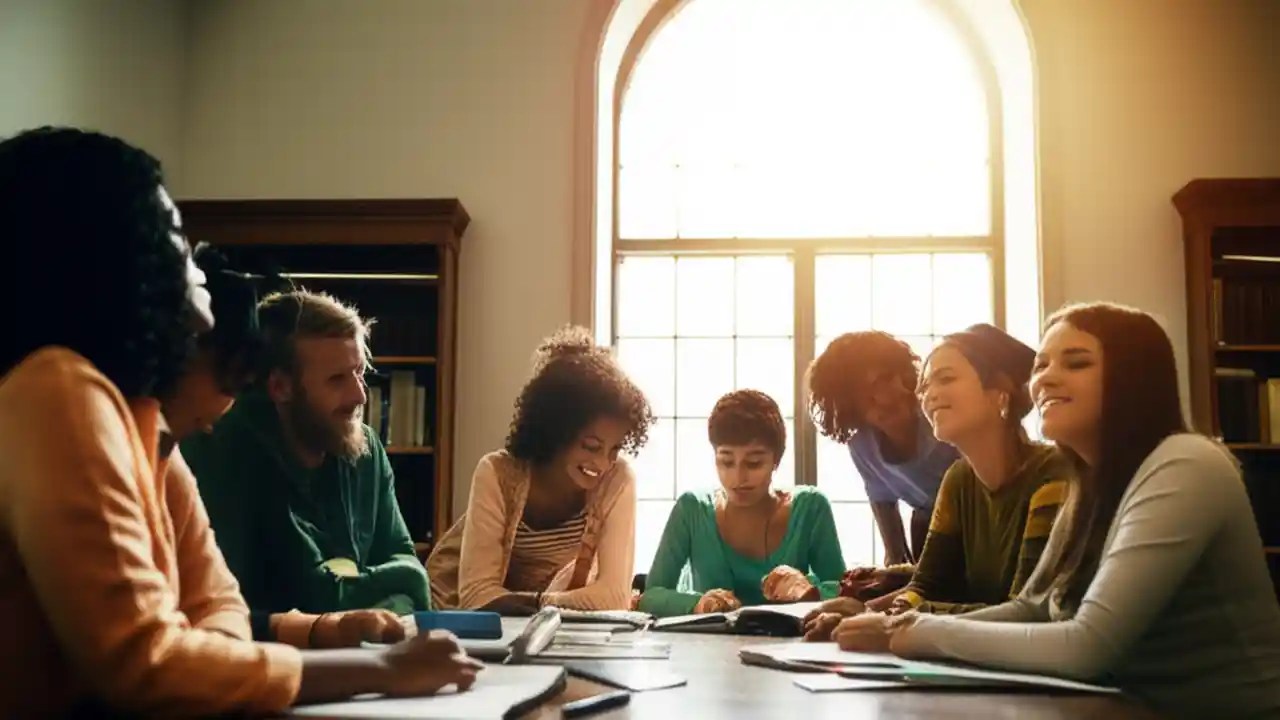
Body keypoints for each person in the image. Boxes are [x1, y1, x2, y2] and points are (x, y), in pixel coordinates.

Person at [0, 127, 478, 717]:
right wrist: (379, 668)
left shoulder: (150, 431)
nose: (197, 260)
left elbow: (216, 606)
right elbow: (145, 661)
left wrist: (206, 668)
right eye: (173, 234)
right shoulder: (57, 389)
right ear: (115, 257)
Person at [826, 303, 1280, 719]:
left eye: (1077, 363)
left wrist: (911, 633)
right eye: (1041, 365)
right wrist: (901, 625)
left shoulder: (1185, 463)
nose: (1044, 378)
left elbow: (1089, 644)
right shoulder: (1087, 481)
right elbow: (1033, 607)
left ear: (1134, 377)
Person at [163, 245, 406, 649]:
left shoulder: (366, 448)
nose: (360, 396)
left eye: (360, 373)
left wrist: (351, 598)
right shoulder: (221, 443)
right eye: (337, 379)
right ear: (280, 387)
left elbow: (412, 574)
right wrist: (359, 599)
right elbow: (236, 605)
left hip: (338, 653)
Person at [804, 324, 1070, 636]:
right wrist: (864, 612)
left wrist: (894, 622)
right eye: (926, 385)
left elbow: (1028, 611)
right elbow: (926, 586)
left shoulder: (1052, 475)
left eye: (946, 378)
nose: (927, 395)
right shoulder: (957, 480)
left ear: (1000, 391)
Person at [428, 326, 652, 613]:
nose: (603, 464)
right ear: (557, 430)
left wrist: (535, 603)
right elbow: (476, 597)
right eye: (592, 446)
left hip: (552, 628)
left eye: (615, 449)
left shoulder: (617, 480)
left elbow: (612, 599)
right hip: (475, 629)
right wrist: (559, 605)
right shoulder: (497, 473)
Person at [638, 390, 845, 617]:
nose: (738, 477)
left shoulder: (810, 508)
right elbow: (651, 596)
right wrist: (699, 604)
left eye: (754, 463)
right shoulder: (692, 509)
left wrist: (809, 592)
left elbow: (847, 594)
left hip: (788, 648)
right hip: (706, 648)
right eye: (726, 461)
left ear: (776, 460)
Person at [805, 331, 959, 604]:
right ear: (848, 403)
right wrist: (889, 573)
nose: (893, 393)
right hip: (928, 525)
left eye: (891, 377)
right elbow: (884, 510)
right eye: (872, 388)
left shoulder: (940, 416)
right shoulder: (862, 447)